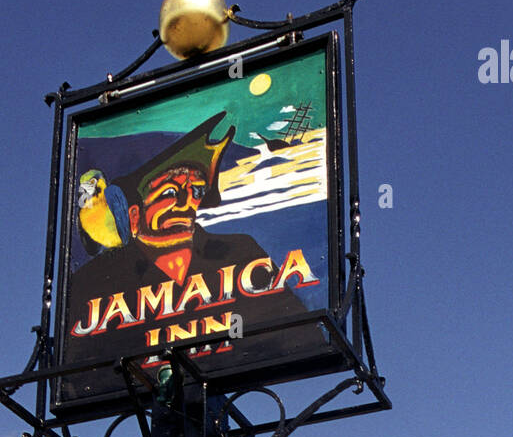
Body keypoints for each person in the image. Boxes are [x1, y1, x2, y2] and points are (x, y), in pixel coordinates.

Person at [60, 112, 326, 403]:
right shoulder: (92, 281)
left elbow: (303, 337)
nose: (187, 202)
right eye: (171, 192)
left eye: (197, 190)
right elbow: (78, 375)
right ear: (134, 215)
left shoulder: (241, 251)